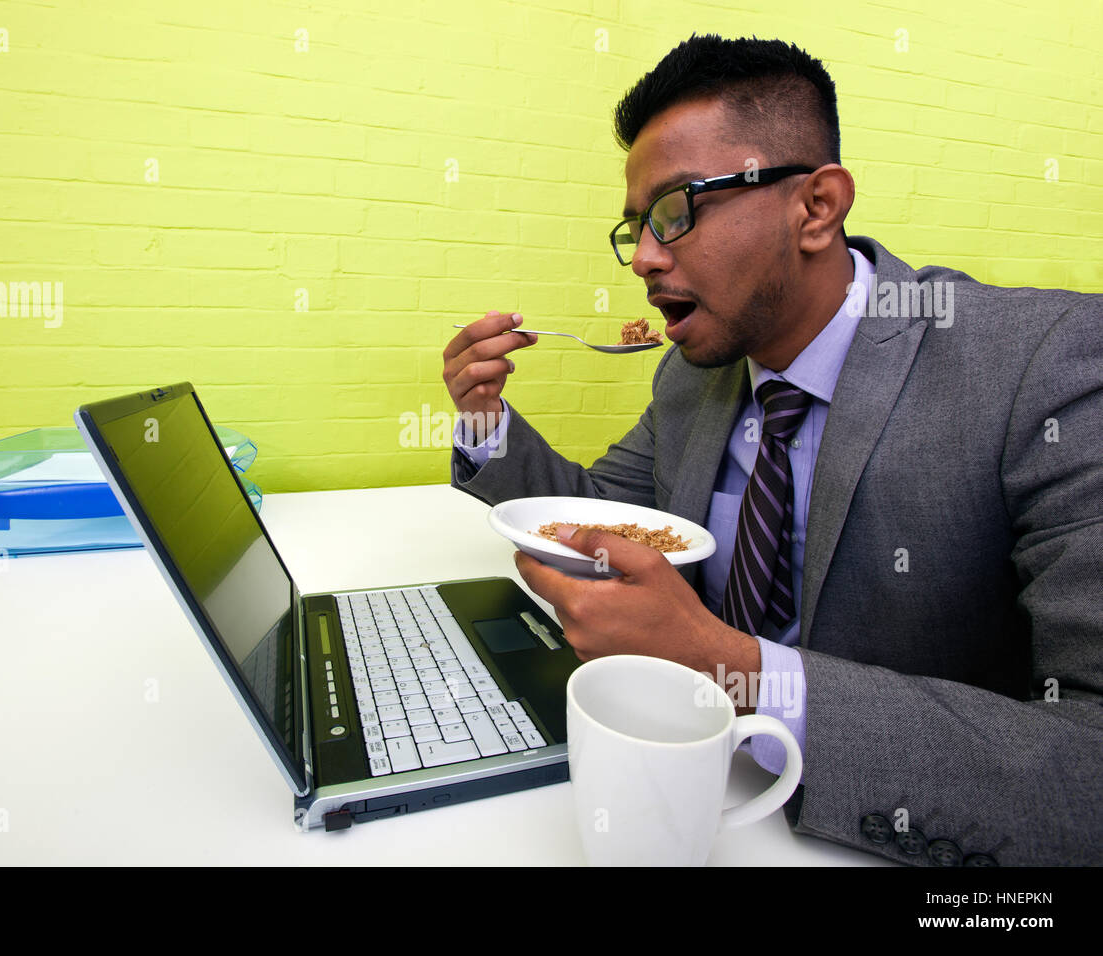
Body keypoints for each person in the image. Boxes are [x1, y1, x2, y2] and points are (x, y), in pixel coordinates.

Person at [441, 34, 1102, 866]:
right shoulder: (693, 380)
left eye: (678, 210)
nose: (645, 257)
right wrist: (484, 422)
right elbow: (594, 512)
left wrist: (735, 669)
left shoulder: (1044, 367)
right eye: (636, 227)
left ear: (816, 207)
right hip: (677, 790)